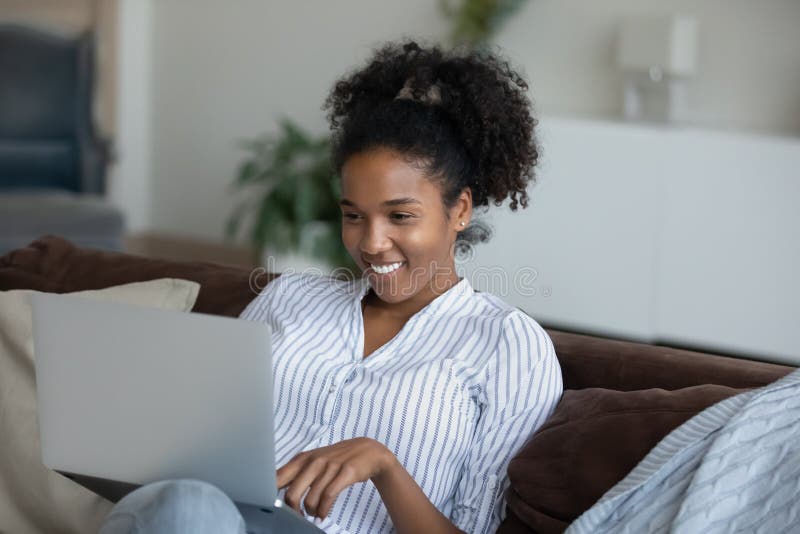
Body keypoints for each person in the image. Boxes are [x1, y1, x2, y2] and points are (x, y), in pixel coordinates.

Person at [99, 40, 563, 534]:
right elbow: (204, 441)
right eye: (353, 216)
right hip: (210, 519)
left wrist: (385, 467)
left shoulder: (508, 346)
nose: (372, 243)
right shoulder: (288, 299)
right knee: (184, 505)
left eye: (400, 216)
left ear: (460, 210)